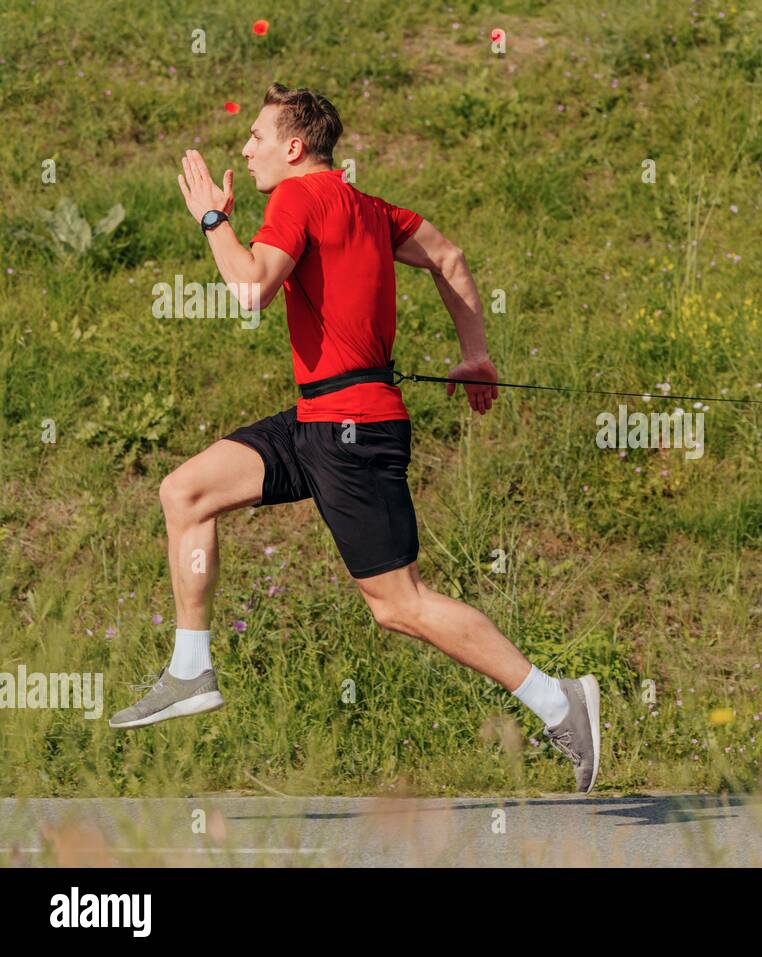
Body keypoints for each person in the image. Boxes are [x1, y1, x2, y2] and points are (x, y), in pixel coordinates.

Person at [109, 82, 600, 793]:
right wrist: (474, 353)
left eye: (256, 138)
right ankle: (192, 668)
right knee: (185, 491)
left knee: (398, 603)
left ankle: (561, 701)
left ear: (294, 147)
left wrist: (212, 217)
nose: (245, 150)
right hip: (317, 418)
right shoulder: (371, 209)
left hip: (353, 430)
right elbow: (450, 257)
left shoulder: (298, 198)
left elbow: (250, 288)